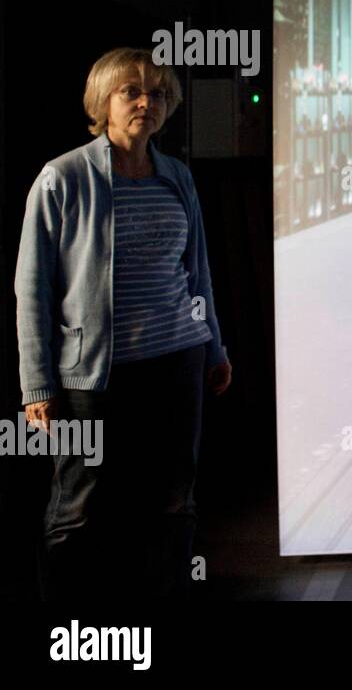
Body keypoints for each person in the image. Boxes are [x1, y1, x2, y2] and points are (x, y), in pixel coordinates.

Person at [15, 46, 233, 601]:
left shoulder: (177, 176)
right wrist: (36, 382)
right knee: (79, 507)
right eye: (131, 91)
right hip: (94, 378)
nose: (146, 102)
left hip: (178, 363)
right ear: (102, 102)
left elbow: (198, 272)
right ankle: (70, 631)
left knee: (173, 500)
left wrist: (215, 350)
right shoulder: (61, 178)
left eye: (157, 93)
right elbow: (31, 287)